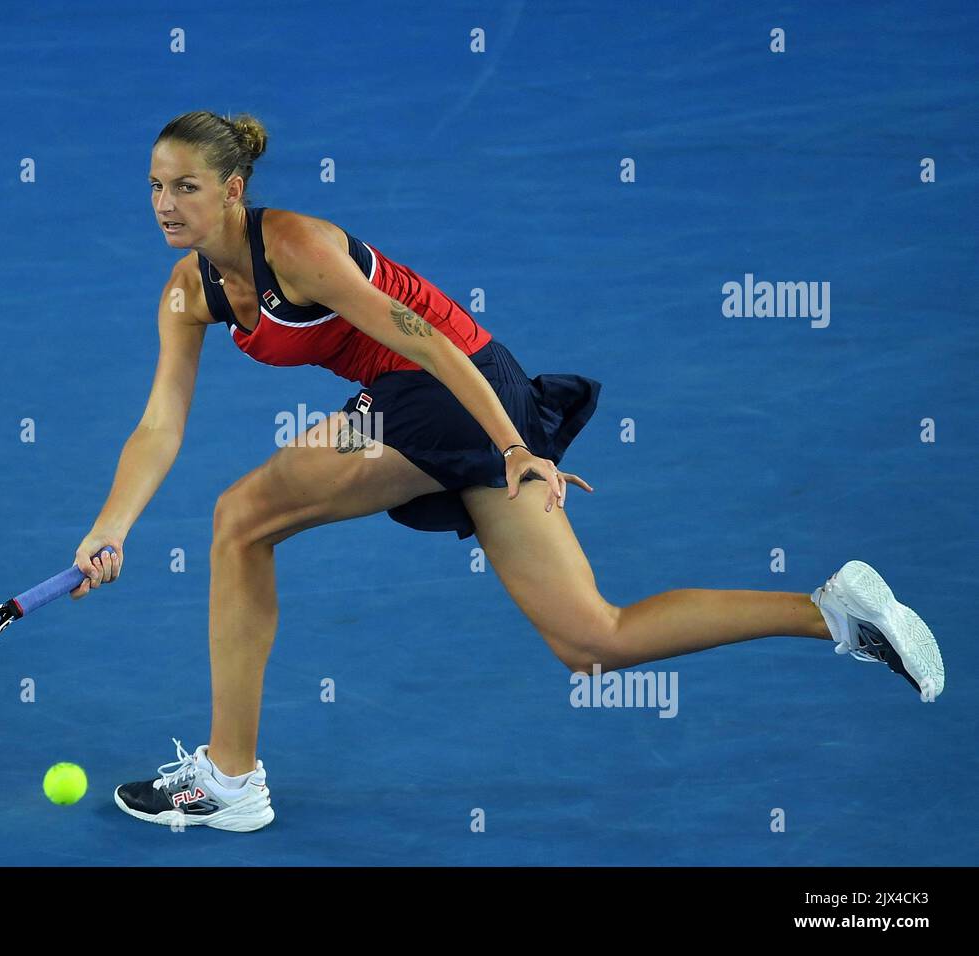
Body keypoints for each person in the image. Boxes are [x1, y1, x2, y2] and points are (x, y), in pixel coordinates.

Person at [71, 110, 945, 833]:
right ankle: (837, 612)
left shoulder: (293, 244)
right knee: (591, 640)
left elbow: (420, 335)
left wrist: (516, 446)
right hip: (477, 399)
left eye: (185, 186)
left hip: (451, 388)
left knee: (239, 518)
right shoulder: (188, 293)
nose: (164, 203)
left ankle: (230, 778)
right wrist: (113, 525)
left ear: (231, 190)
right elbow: (158, 423)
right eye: (154, 185)